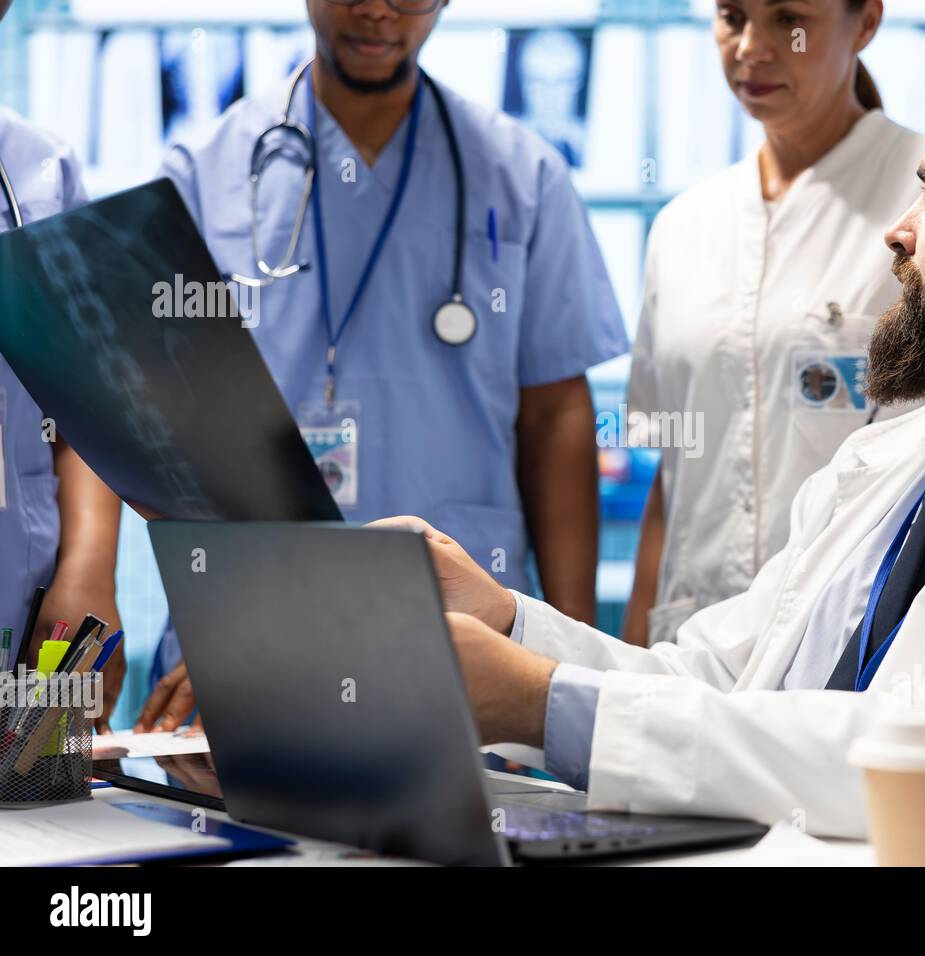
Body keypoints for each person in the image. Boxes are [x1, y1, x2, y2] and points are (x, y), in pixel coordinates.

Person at [381, 52, 925, 865]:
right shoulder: (898, 455)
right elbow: (730, 683)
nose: (897, 233)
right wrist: (507, 625)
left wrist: (537, 704)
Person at [134, 0, 627, 730]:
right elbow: (154, 423)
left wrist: (565, 663)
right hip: (253, 631)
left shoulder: (522, 175)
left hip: (467, 639)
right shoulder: (206, 173)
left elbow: (556, 416)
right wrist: (221, 622)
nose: (376, 11)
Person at [622, 0, 925, 646]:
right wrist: (621, 665)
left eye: (788, 17)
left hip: (847, 644)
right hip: (685, 641)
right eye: (732, 16)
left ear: (866, 22)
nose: (753, 48)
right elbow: (674, 470)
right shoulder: (684, 226)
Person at [0, 0, 125, 730]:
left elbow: (88, 400)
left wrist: (88, 569)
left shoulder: (40, 167)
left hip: (32, 610)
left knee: (47, 829)